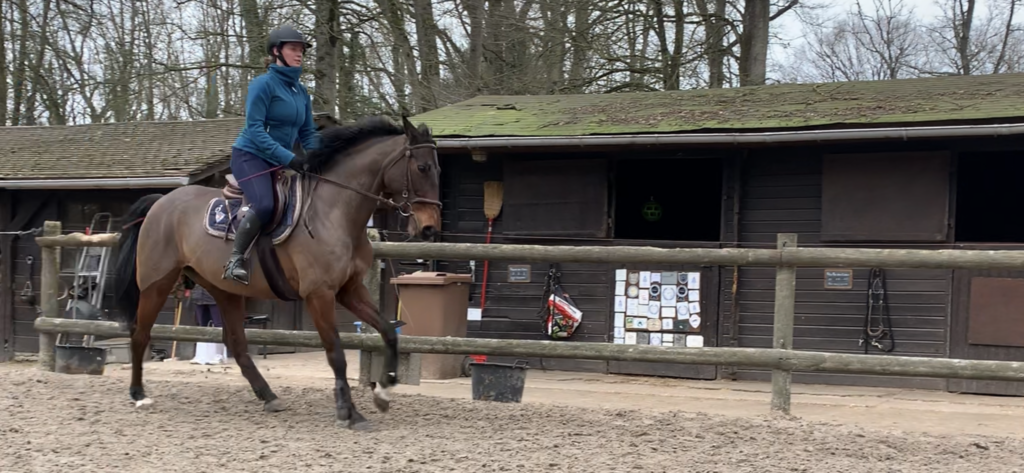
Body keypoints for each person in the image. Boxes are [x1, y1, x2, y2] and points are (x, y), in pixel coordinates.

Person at [225, 24, 319, 284]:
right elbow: (254, 129)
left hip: (279, 160)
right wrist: (290, 158)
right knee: (266, 204)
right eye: (293, 49)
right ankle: (235, 259)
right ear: (277, 51)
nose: (299, 54)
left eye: (301, 50)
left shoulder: (300, 92)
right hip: (250, 155)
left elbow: (309, 133)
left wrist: (319, 157)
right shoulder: (262, 85)